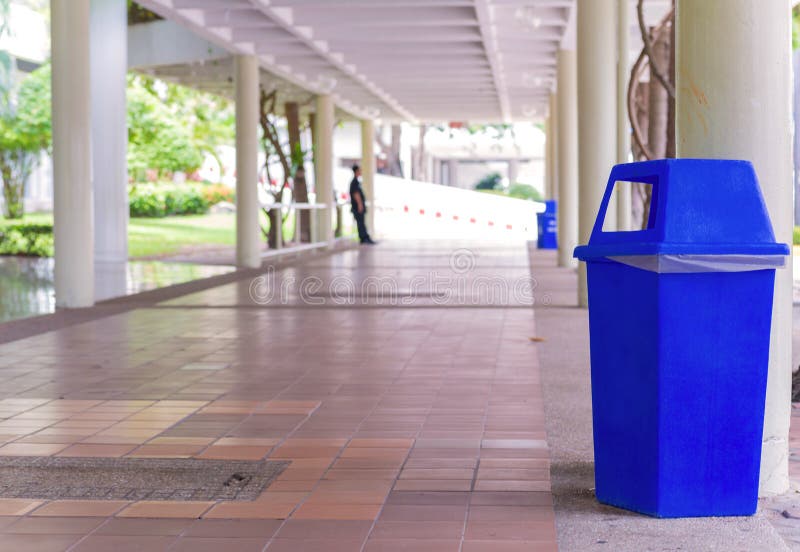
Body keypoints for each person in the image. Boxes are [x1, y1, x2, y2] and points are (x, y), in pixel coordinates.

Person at [349, 164, 376, 245]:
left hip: (358, 206)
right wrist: (360, 204)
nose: (361, 172)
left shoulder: (356, 181)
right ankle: (364, 238)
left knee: (362, 223)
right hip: (357, 207)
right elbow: (356, 194)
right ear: (356, 171)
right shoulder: (354, 182)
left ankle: (365, 237)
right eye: (359, 170)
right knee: (361, 223)